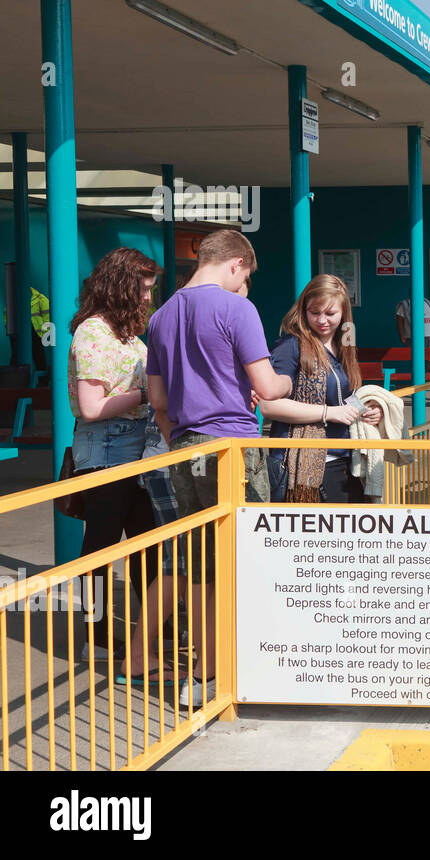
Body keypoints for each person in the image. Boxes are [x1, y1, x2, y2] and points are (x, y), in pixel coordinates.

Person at [145, 230, 291, 689]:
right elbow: (267, 388)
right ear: (234, 264)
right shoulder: (237, 309)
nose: (242, 282)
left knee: (199, 565)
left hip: (186, 448)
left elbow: (158, 399)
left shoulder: (161, 316)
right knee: (248, 556)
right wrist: (286, 382)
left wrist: (178, 440)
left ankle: (204, 668)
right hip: (232, 448)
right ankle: (246, 663)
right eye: (244, 274)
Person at [67, 248, 163, 659]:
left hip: (135, 447)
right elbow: (90, 407)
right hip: (105, 448)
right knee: (102, 546)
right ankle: (97, 635)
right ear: (121, 285)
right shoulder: (93, 332)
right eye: (142, 289)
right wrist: (146, 394)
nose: (147, 297)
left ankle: (156, 626)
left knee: (146, 544)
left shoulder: (124, 332)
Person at [262, 275, 382, 503]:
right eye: (314, 312)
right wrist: (328, 412)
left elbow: (348, 394)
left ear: (344, 313)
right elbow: (269, 405)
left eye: (330, 314)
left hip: (347, 458)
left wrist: (366, 410)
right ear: (303, 309)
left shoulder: (346, 340)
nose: (322, 320)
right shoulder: (290, 346)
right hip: (303, 466)